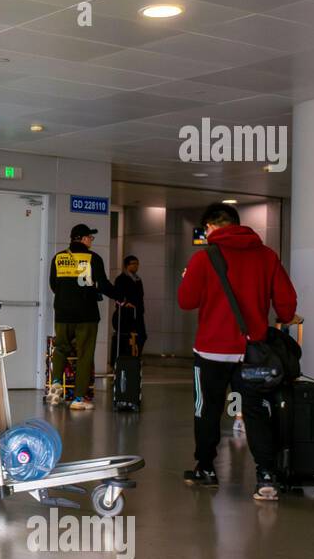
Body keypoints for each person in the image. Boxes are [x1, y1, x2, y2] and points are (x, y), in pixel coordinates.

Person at [177, 202, 299, 502]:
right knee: (256, 413)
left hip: (211, 352)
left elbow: (186, 301)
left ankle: (206, 469)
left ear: (211, 228)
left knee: (207, 410)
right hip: (252, 352)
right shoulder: (267, 256)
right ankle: (266, 476)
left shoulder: (203, 258)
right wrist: (281, 316)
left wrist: (186, 278)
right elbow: (286, 302)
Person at [47, 223, 118, 410]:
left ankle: (55, 383)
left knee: (61, 348)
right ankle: (78, 399)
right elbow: (103, 285)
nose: (91, 241)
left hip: (62, 313)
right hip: (86, 314)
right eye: (90, 238)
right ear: (84, 238)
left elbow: (54, 285)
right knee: (85, 354)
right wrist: (121, 297)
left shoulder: (59, 257)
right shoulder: (93, 258)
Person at [110, 255, 147, 363]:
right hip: (125, 314)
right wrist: (125, 304)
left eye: (137, 264)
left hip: (138, 312)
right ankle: (124, 360)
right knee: (125, 337)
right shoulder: (121, 279)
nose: (136, 266)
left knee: (142, 336)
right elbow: (117, 295)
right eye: (133, 264)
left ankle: (136, 357)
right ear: (127, 265)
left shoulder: (137, 279)